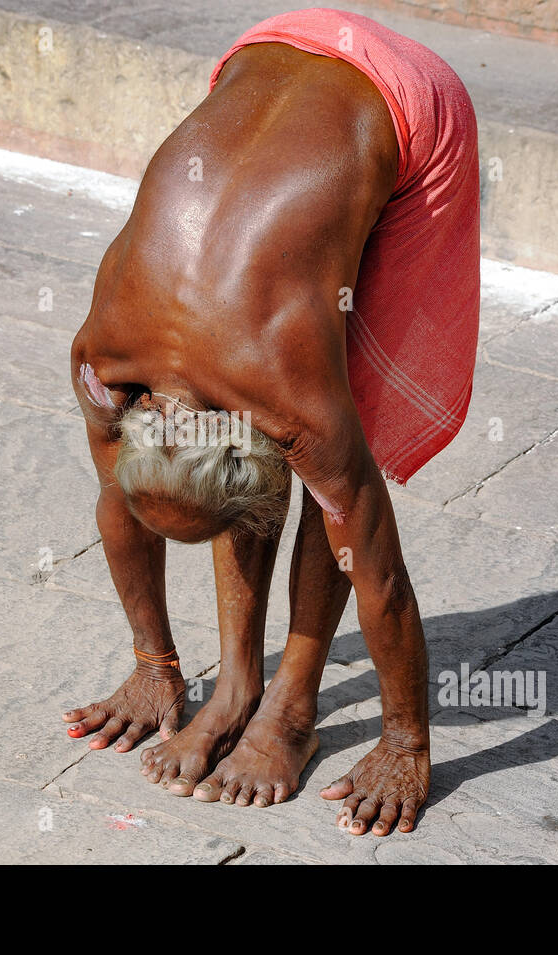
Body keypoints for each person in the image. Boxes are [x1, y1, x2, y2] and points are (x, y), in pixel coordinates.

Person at [63, 7, 479, 837]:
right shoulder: (105, 359)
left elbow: (379, 573)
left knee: (347, 450)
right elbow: (118, 503)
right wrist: (154, 665)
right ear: (132, 423)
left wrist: (408, 742)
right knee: (282, 460)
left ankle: (289, 707)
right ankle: (234, 688)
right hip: (279, 39)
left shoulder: (293, 400)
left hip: (411, 104)